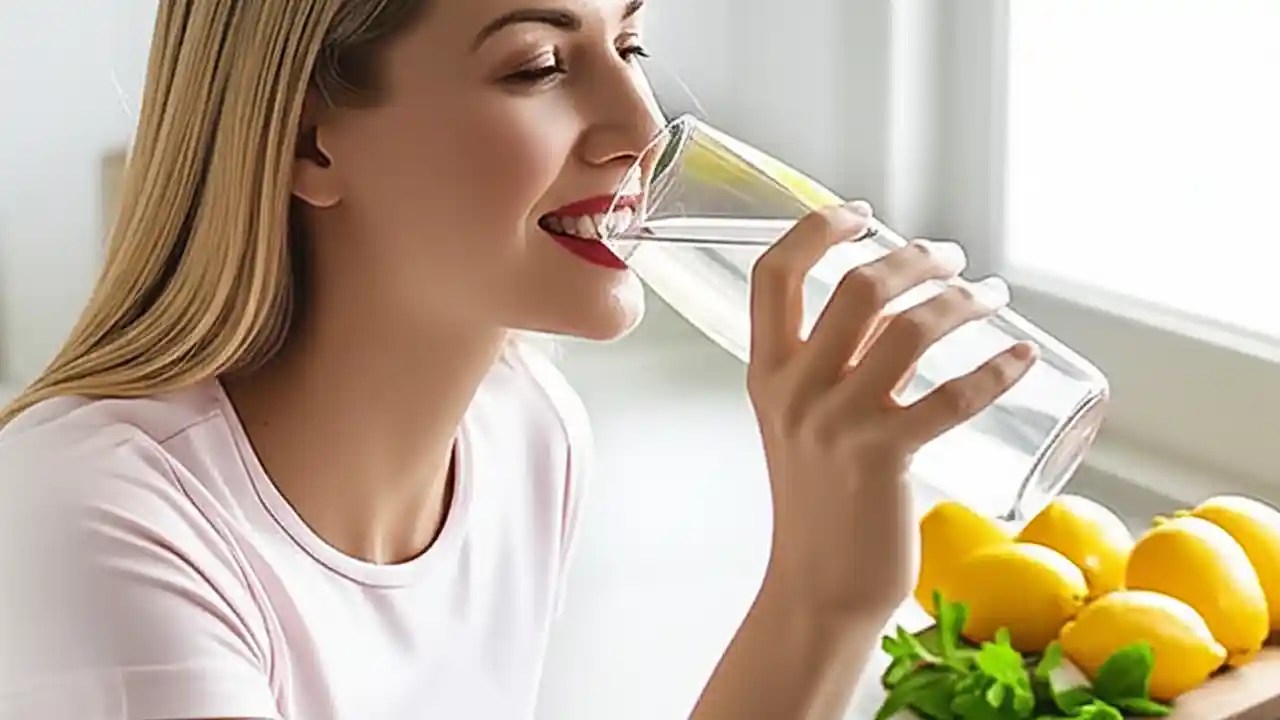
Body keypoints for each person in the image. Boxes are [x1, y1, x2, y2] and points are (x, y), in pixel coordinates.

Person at [0, 1, 1037, 718]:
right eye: (536, 65)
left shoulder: (523, 434)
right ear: (310, 142)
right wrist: (816, 594)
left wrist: (841, 589)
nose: (640, 126)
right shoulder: (90, 524)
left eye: (626, 45)